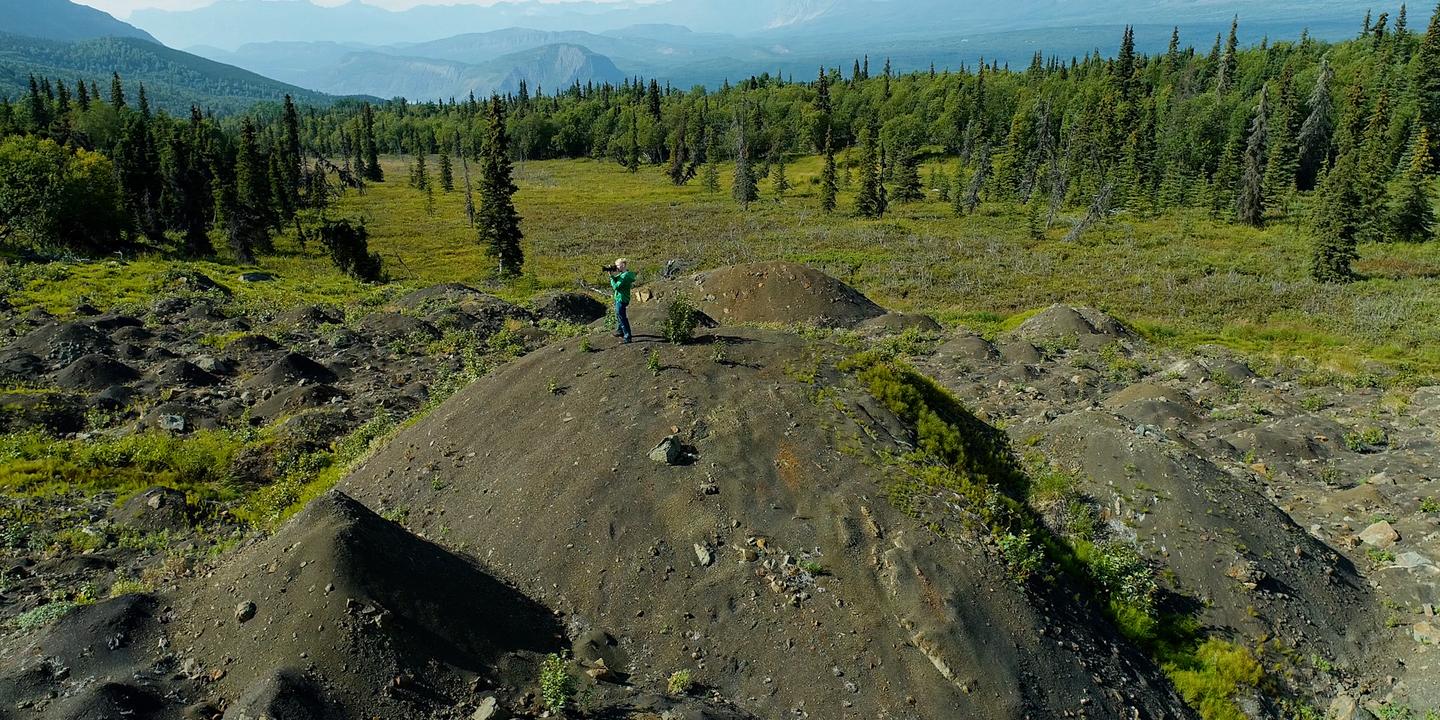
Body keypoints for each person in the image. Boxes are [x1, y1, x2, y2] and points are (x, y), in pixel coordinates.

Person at [608, 258, 637, 343]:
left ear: (623, 265)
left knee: (622, 317)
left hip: (621, 299)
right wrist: (612, 274)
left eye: (617, 265)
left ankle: (627, 336)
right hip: (620, 298)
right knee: (619, 315)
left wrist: (610, 277)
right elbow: (617, 279)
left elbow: (616, 287)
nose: (616, 267)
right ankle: (620, 331)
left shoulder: (625, 276)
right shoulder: (624, 274)